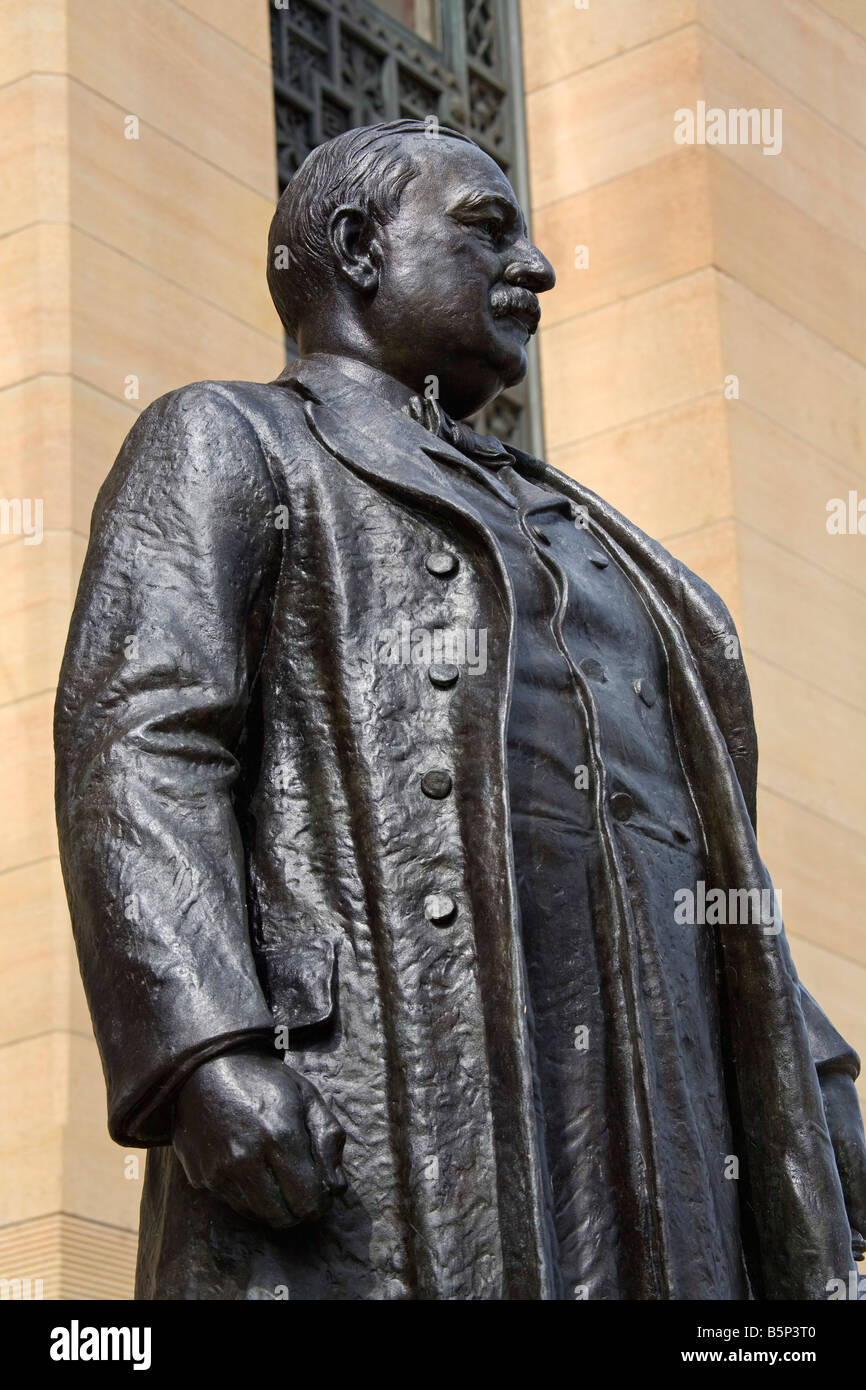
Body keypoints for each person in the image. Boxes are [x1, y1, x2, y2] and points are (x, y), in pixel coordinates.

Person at [55, 119, 866, 1300]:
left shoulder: (617, 553)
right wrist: (202, 1051)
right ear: (356, 247)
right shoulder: (232, 440)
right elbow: (140, 747)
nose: (535, 267)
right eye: (488, 231)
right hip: (380, 1098)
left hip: (657, 1128)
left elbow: (695, 850)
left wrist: (811, 1069)